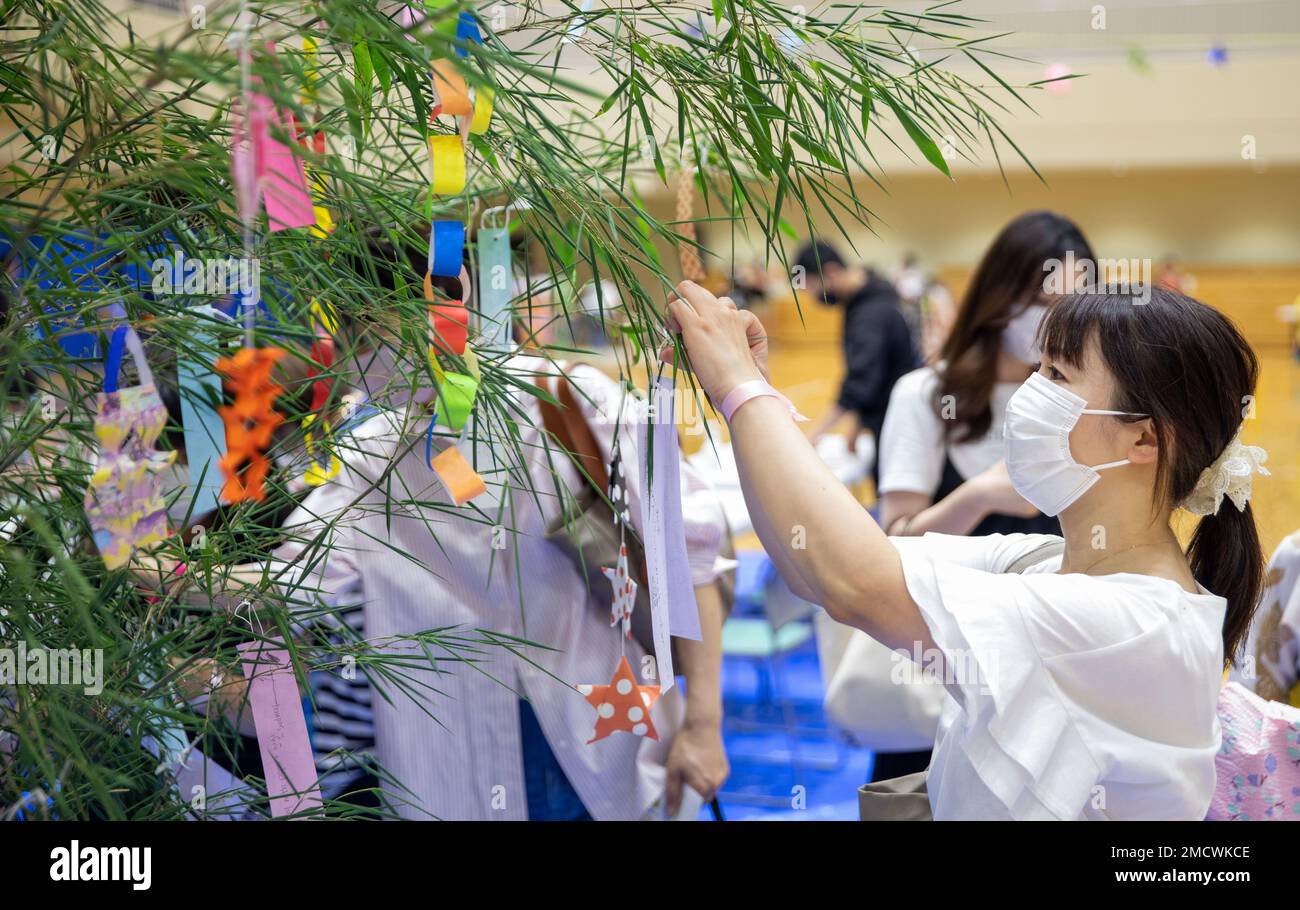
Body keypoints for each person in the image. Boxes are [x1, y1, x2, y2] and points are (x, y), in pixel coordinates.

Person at [662, 280, 1267, 820]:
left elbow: (853, 582)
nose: (1029, 392)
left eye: (1057, 376)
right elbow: (817, 567)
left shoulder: (1128, 626)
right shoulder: (1045, 564)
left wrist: (739, 389)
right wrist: (750, 390)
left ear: (1143, 437)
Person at [879, 212, 1095, 540]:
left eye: (1069, 306)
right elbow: (896, 539)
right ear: (998, 298)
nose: (1053, 320)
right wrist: (979, 497)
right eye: (1040, 302)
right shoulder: (924, 393)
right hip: (955, 589)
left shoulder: (1082, 397)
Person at [797, 241, 919, 470]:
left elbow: (860, 379)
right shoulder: (869, 297)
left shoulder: (870, 314)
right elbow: (879, 372)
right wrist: (856, 425)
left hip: (895, 422)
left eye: (814, 288)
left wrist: (813, 435)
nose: (816, 297)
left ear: (831, 272)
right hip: (886, 414)